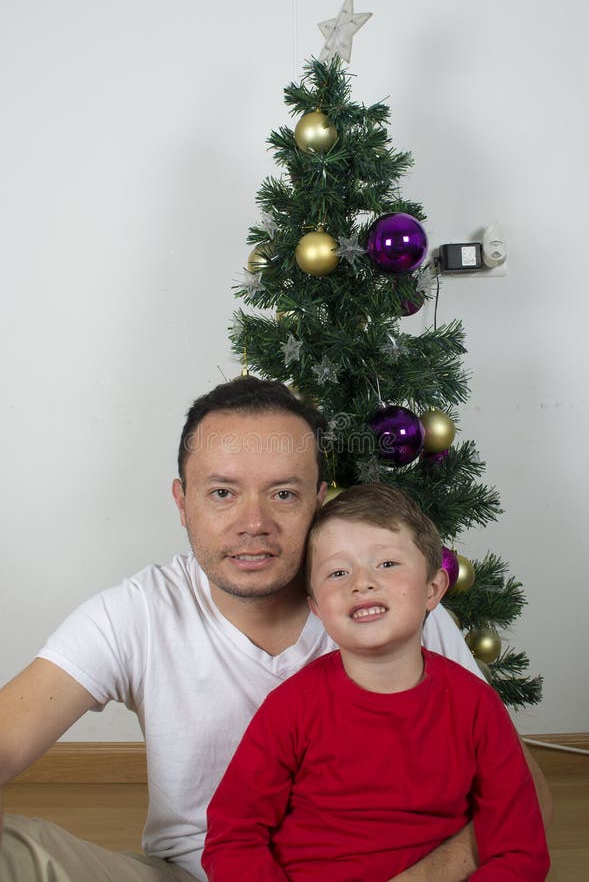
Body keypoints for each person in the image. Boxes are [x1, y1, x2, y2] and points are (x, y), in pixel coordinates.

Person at [0, 376, 550, 882]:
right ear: (182, 502)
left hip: (398, 871)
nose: (253, 523)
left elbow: (526, 798)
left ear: (318, 499)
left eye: (283, 493)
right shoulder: (136, 612)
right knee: (16, 849)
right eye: (222, 492)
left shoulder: (397, 612)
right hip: (193, 873)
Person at [203, 484, 550, 881]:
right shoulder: (290, 708)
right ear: (317, 607)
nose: (361, 582)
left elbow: (520, 851)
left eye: (386, 564)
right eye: (338, 572)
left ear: (432, 589)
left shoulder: (477, 707)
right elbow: (233, 836)